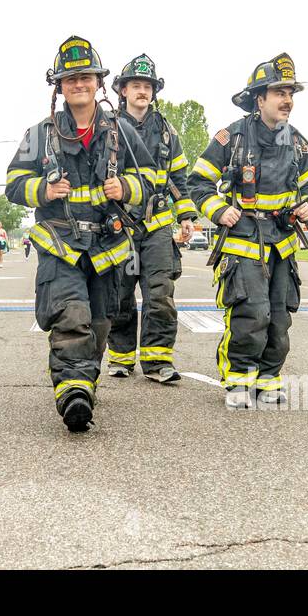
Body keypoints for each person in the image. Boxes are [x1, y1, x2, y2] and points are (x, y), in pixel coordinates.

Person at [5, 36, 154, 432]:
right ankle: (73, 392)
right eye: (70, 79)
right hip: (61, 244)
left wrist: (126, 189)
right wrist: (42, 190)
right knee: (70, 315)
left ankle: (83, 381)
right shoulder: (40, 134)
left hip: (107, 246)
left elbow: (151, 179)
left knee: (100, 323)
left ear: (98, 83)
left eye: (85, 77)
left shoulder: (122, 131)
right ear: (60, 86)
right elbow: (13, 182)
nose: (78, 84)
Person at [188, 53, 308, 410]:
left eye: (290, 92)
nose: (287, 100)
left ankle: (268, 378)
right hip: (243, 241)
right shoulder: (230, 137)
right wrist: (219, 210)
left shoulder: (297, 142)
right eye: (279, 92)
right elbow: (198, 181)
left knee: (279, 317)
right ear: (258, 98)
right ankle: (238, 379)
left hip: (282, 243)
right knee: (252, 314)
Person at [106, 55, 200, 383]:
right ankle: (119, 358)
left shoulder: (166, 131)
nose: (142, 91)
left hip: (157, 224)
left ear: (153, 91)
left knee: (160, 292)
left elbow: (178, 177)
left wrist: (186, 214)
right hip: (118, 225)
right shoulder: (107, 126)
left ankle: (158, 361)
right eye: (136, 86)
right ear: (123, 90)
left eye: (147, 86)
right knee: (118, 293)